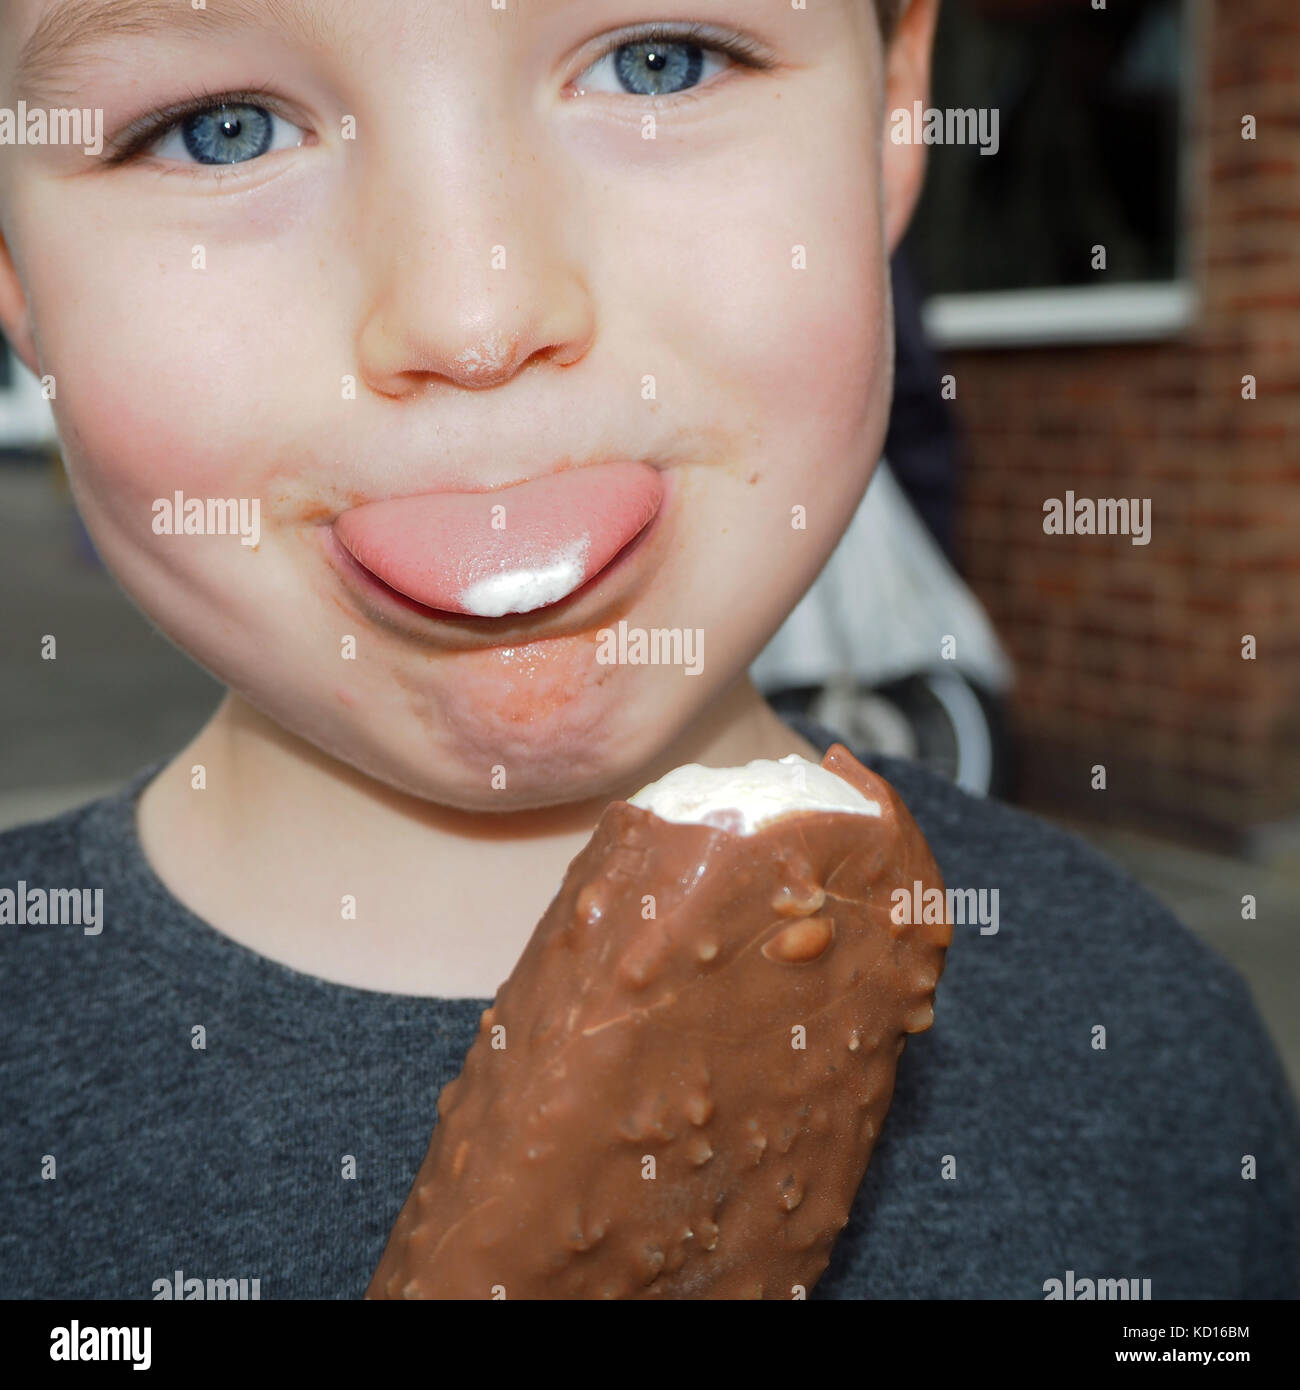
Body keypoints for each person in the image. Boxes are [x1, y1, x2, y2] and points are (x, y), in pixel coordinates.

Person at [0, 0, 1294, 1299]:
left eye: (656, 63)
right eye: (217, 134)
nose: (474, 316)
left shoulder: (1158, 1056)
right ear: (17, 280)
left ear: (895, 121)